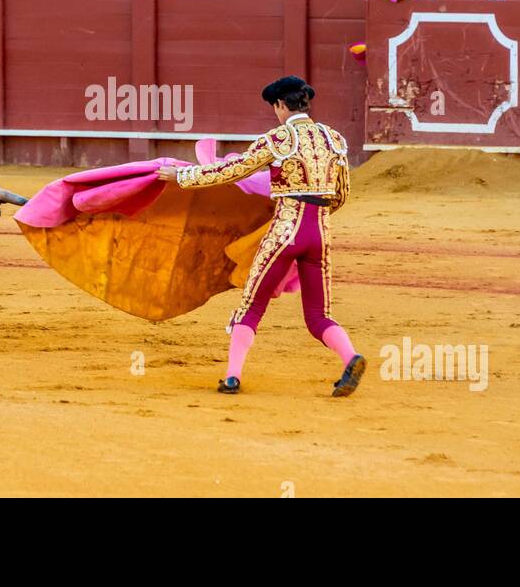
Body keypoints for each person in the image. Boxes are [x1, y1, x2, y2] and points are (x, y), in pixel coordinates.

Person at [156, 76, 366, 397]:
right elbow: (341, 194)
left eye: (275, 108)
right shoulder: (334, 139)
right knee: (318, 315)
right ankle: (351, 357)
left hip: (285, 233)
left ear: (281, 105)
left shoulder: (279, 139)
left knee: (252, 307)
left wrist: (182, 175)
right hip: (320, 235)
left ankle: (231, 377)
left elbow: (233, 170)